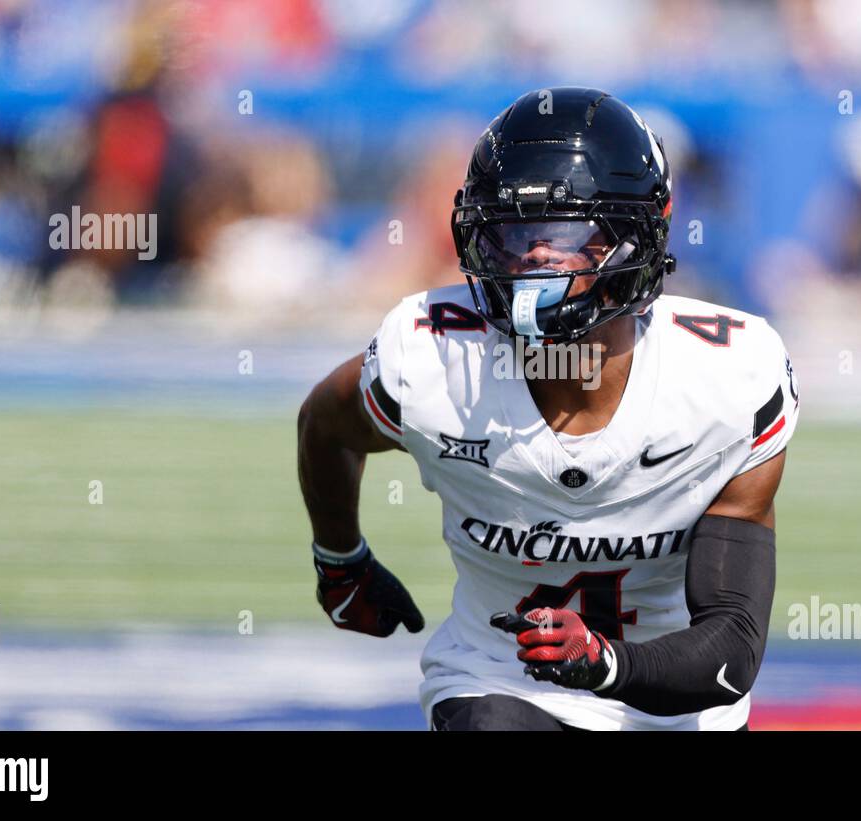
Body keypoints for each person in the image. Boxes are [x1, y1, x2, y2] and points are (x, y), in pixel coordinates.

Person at [297, 87, 798, 730]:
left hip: (672, 698)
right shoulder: (428, 358)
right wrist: (340, 558)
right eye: (515, 231)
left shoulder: (727, 378)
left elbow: (730, 652)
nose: (536, 254)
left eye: (566, 230)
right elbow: (325, 425)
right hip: (497, 679)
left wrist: (605, 663)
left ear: (636, 235)